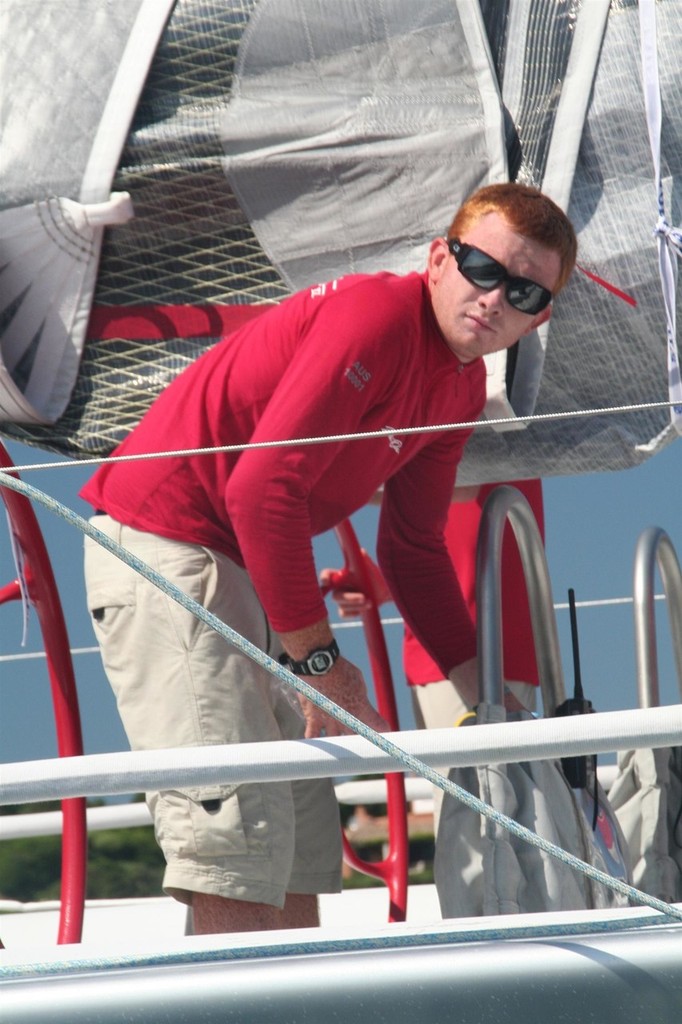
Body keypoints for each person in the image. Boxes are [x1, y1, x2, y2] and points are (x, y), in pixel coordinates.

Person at [80, 183, 576, 935]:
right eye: (480, 266)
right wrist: (321, 667)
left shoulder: (462, 384)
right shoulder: (374, 317)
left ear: (539, 314)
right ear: (440, 259)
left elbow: (410, 547)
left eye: (523, 290)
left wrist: (491, 699)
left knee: (299, 852)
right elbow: (260, 491)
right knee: (238, 848)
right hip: (169, 551)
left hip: (244, 570)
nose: (493, 297)